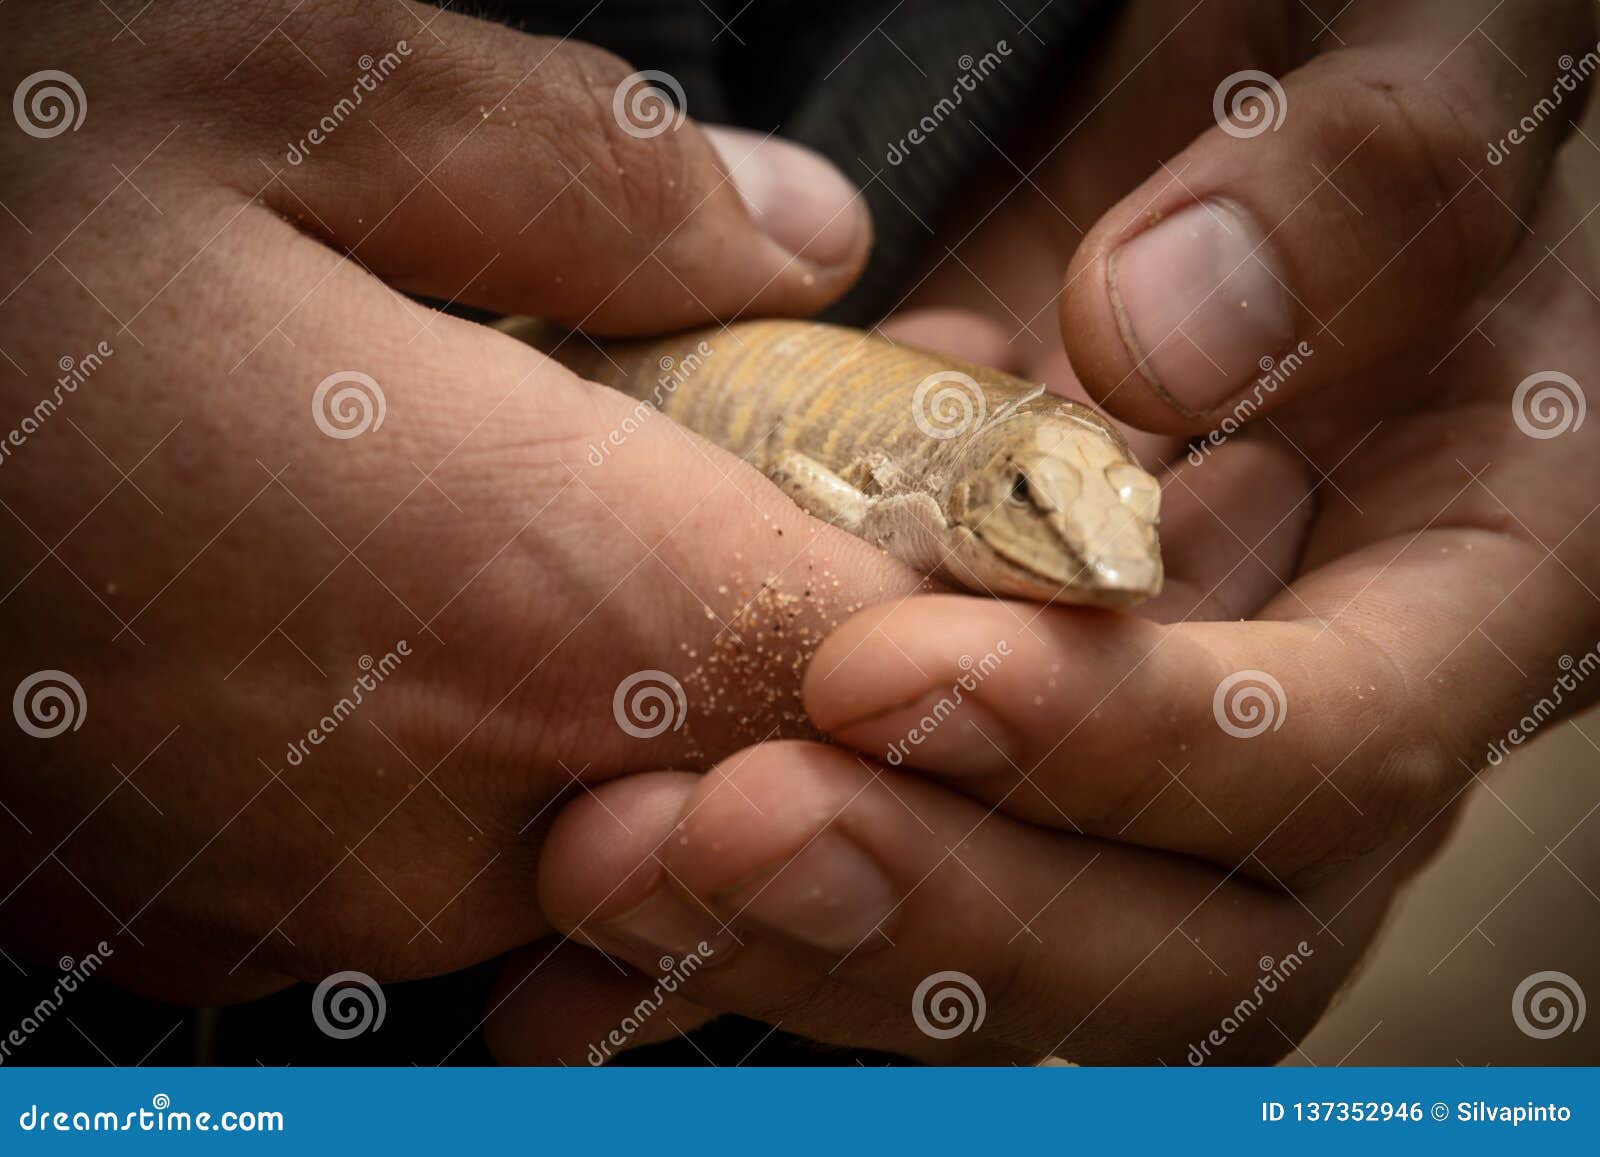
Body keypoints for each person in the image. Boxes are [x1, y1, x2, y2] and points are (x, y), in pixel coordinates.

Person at [2, 0, 1596, 1065]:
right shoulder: (938, 496)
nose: (1116, 572)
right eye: (1048, 517)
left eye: (1120, 524)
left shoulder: (1065, 480)